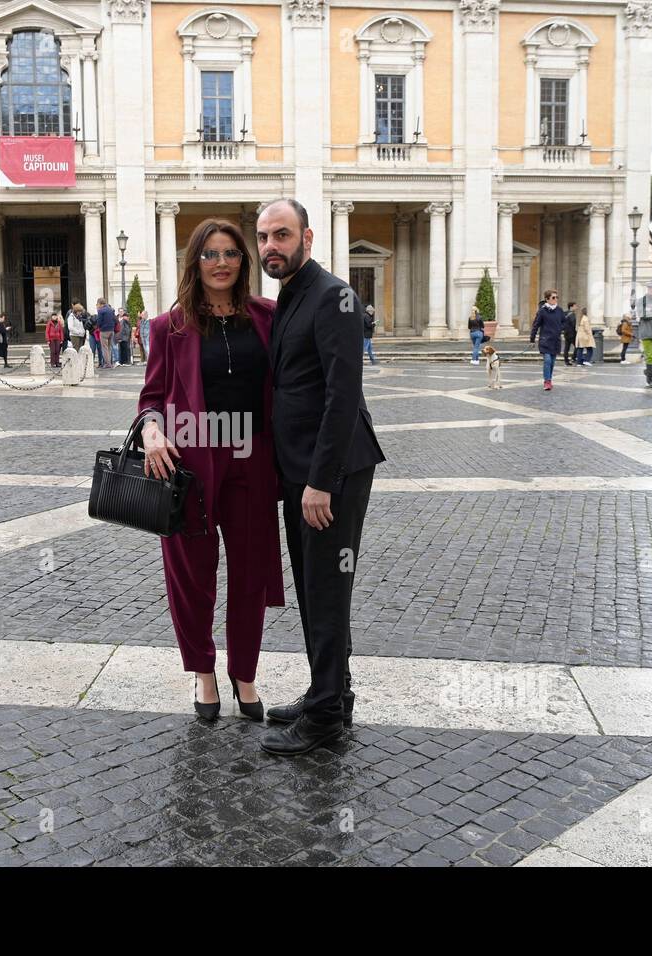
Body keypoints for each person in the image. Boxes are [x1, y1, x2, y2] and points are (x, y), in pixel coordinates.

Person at [139, 218, 284, 724]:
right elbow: (151, 399)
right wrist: (152, 431)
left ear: (243, 262)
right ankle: (203, 672)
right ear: (194, 262)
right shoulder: (169, 327)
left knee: (249, 575)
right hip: (190, 465)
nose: (220, 263)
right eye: (209, 254)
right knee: (191, 576)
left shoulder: (269, 316)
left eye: (230, 253)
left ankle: (245, 674)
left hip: (252, 458)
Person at [255, 198, 385, 756]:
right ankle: (330, 692)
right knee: (313, 588)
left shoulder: (335, 295)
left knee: (327, 591)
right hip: (300, 470)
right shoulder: (291, 293)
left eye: (281, 235)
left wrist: (321, 481)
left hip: (329, 473)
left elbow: (342, 393)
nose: (269, 247)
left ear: (307, 237)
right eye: (262, 237)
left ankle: (327, 716)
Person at [529, 289, 564, 390]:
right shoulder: (542, 311)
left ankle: (549, 379)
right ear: (547, 299)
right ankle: (547, 381)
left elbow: (564, 322)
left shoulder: (559, 310)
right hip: (545, 340)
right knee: (547, 360)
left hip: (556, 340)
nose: (555, 299)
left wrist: (560, 328)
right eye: (553, 297)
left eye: (557, 297)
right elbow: (535, 325)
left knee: (552, 362)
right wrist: (532, 339)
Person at [95, 298, 116, 369]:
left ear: (101, 304)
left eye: (98, 304)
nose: (98, 306)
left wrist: (98, 326)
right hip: (111, 330)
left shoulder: (101, 311)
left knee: (104, 348)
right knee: (109, 347)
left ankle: (107, 364)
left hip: (104, 331)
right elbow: (115, 319)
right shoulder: (111, 309)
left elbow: (99, 321)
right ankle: (110, 362)